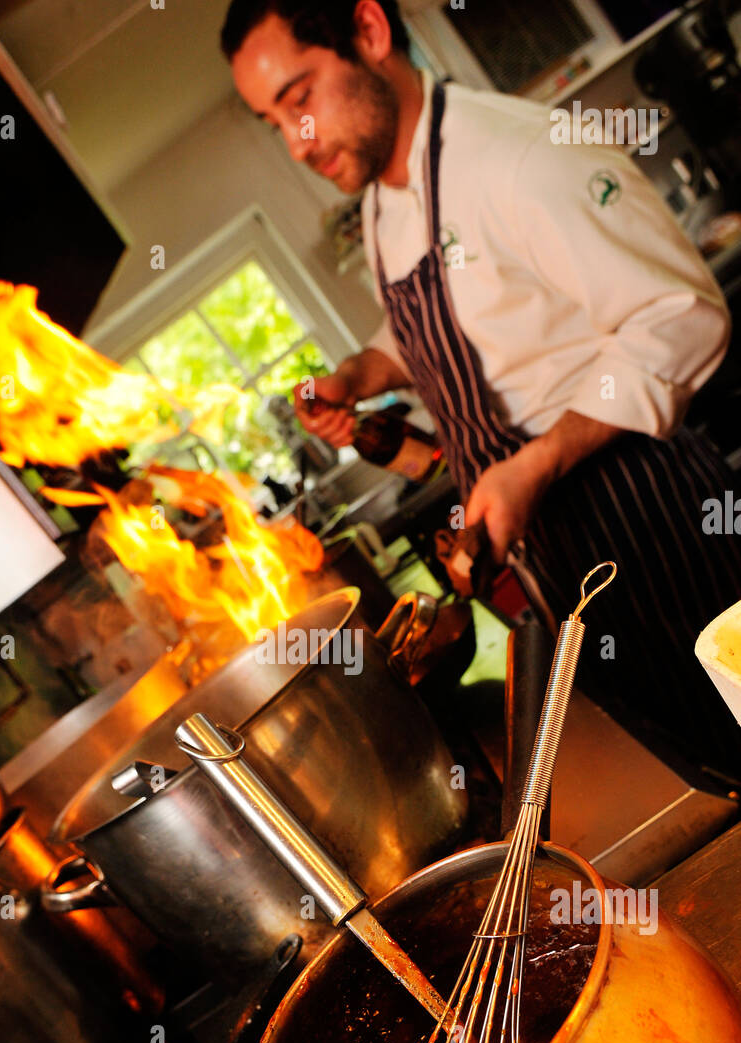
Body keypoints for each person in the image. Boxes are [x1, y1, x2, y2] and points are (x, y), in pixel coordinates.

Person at [221, 0, 741, 779]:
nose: (295, 143)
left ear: (369, 32)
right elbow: (436, 323)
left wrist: (538, 461)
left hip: (656, 521)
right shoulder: (380, 204)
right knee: (701, 779)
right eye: (271, 120)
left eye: (300, 99)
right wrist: (358, 377)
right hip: (563, 563)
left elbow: (683, 316)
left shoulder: (516, 155)